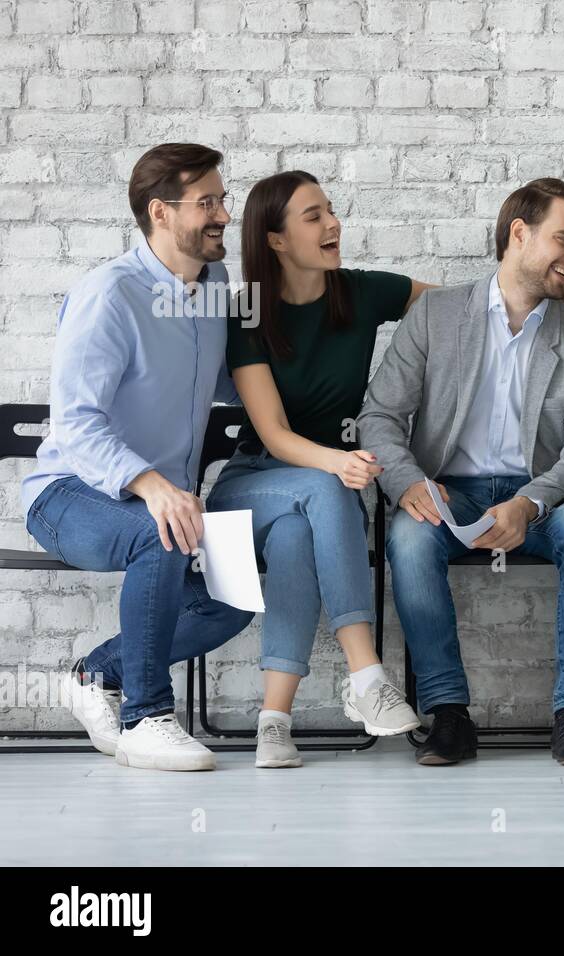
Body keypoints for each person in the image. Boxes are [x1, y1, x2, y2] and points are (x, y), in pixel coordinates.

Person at [357, 178, 564, 768]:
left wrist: (529, 503)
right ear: (519, 233)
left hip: (542, 496)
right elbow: (380, 415)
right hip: (449, 491)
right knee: (408, 535)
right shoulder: (436, 316)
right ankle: (448, 714)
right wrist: (407, 481)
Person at [23, 143, 254, 771]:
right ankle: (147, 717)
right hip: (68, 493)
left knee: (237, 593)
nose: (223, 215)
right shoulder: (109, 294)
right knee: (162, 535)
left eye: (222, 199)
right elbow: (75, 424)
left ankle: (97, 674)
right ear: (161, 212)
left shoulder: (216, 284)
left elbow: (228, 382)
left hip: (165, 500)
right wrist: (151, 485)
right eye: (207, 202)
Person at [206, 170, 428, 768]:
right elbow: (274, 434)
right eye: (313, 216)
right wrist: (338, 460)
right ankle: (366, 676)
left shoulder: (360, 293)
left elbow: (462, 308)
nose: (333, 224)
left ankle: (273, 724)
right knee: (321, 489)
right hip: (252, 482)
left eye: (331, 210)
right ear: (275, 239)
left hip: (318, 491)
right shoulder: (248, 312)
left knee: (299, 535)